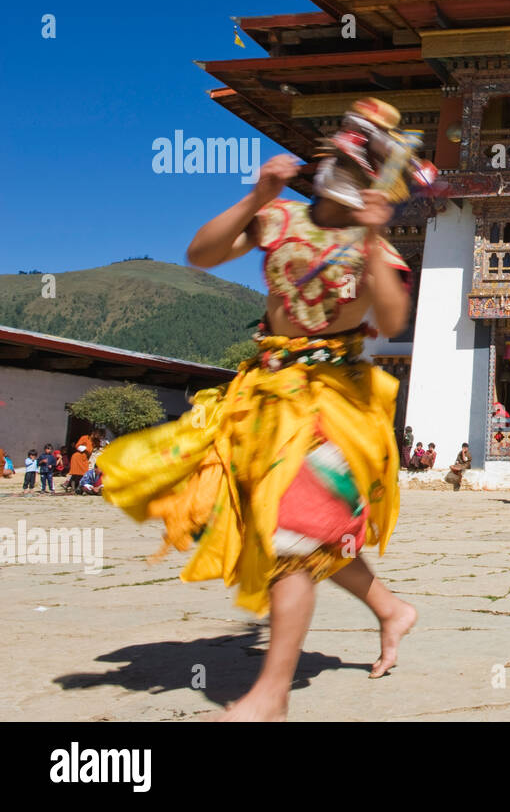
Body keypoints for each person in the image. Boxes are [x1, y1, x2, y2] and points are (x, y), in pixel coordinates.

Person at [99, 107, 430, 721]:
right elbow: (202, 254)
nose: (341, 172)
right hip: (260, 393)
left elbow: (388, 320)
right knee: (285, 524)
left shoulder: (376, 247)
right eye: (338, 159)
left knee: (293, 533)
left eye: (358, 169)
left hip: (333, 402)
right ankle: (390, 608)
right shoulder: (280, 217)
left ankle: (270, 694)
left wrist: (375, 238)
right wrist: (258, 193)